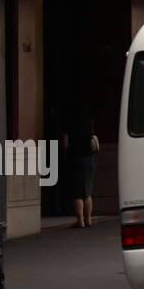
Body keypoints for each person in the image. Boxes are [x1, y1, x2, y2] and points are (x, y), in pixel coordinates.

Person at [61, 94, 97, 228]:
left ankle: (80, 220)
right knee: (87, 191)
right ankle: (89, 220)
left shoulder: (68, 121)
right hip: (89, 157)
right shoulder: (88, 121)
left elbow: (65, 144)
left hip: (75, 158)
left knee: (77, 192)